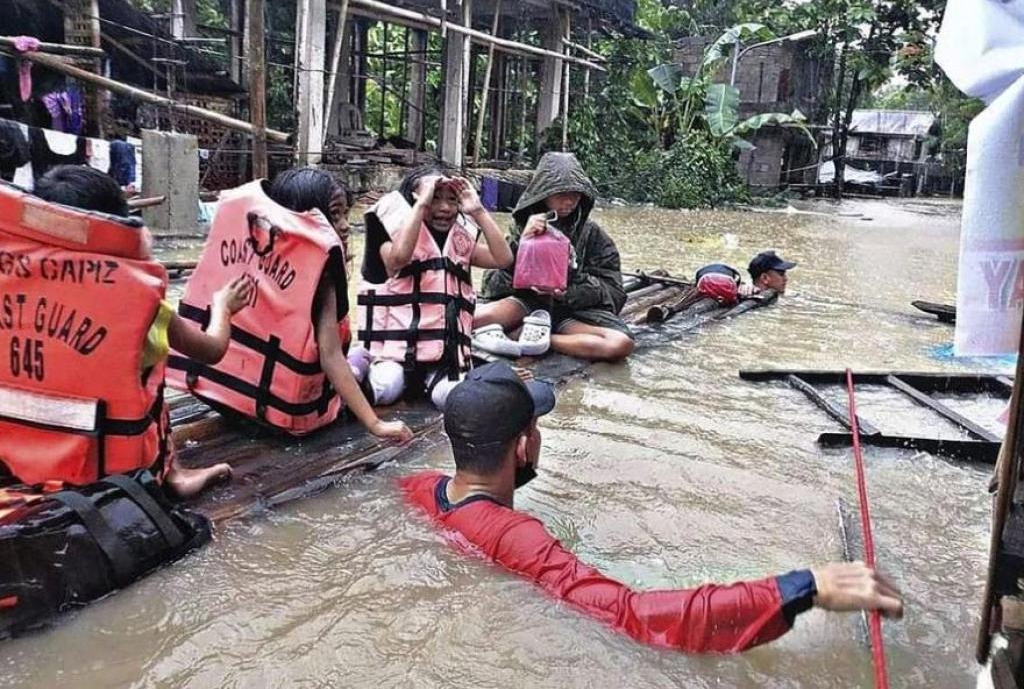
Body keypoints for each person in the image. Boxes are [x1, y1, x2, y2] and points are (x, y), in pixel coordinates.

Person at [402, 362, 904, 654]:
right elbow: (635, 617)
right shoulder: (519, 536)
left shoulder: (420, 488)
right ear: (521, 447)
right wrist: (802, 587)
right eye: (536, 428)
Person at [14, 165, 244, 497]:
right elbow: (211, 349)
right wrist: (223, 306)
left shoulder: (12, 282)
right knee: (149, 366)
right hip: (117, 471)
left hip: (24, 455)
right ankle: (172, 475)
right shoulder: (138, 300)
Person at [168, 167, 411, 443]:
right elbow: (330, 357)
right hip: (288, 417)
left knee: (358, 356)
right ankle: (364, 359)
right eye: (334, 215)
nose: (344, 225)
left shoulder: (248, 245)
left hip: (226, 396)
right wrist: (376, 424)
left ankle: (362, 358)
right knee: (370, 366)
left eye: (345, 214)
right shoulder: (321, 273)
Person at [355, 162, 513, 409]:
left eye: (452, 199)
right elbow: (398, 259)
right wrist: (420, 205)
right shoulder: (391, 236)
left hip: (443, 360)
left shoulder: (460, 242)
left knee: (453, 399)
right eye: (434, 198)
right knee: (384, 388)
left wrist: (478, 211)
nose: (444, 207)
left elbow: (503, 259)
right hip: (395, 357)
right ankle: (357, 365)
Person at [474, 152, 634, 362]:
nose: (569, 202)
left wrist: (566, 290)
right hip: (524, 305)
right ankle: (524, 332)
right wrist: (522, 244)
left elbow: (614, 292)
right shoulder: (523, 226)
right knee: (470, 320)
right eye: (561, 194)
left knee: (619, 344)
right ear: (544, 194)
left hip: (569, 314)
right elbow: (492, 283)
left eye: (575, 195)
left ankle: (537, 339)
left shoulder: (593, 235)